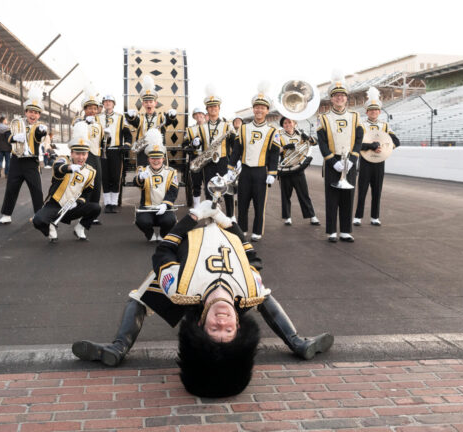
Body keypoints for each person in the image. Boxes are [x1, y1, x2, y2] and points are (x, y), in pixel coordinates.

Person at [72, 202, 333, 397]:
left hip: (188, 261)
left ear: (200, 325)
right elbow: (251, 255)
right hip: (222, 237)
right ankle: (297, 342)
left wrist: (193, 216)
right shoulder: (248, 293)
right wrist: (227, 221)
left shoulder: (179, 289)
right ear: (238, 326)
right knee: (261, 297)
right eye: (228, 329)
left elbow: (164, 249)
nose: (222, 321)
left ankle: (118, 348)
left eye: (214, 328)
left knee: (140, 297)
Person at [229, 82, 281, 241]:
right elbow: (237, 150)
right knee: (243, 203)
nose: (259, 110)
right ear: (253, 109)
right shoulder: (243, 129)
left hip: (260, 173)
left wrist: (272, 172)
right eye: (257, 107)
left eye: (262, 107)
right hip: (245, 171)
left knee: (259, 205)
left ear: (267, 110)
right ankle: (242, 230)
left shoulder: (273, 131)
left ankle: (257, 232)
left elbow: (274, 154)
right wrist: (231, 168)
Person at [31, 122, 100, 242]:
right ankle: (51, 227)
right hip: (55, 204)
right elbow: (58, 167)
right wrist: (69, 168)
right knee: (38, 220)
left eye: (84, 154)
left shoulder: (91, 171)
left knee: (95, 208)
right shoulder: (64, 159)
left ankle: (80, 228)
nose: (81, 157)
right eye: (77, 153)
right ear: (72, 153)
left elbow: (87, 192)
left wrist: (79, 201)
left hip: (72, 207)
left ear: (87, 154)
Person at [317, 72, 363, 243]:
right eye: (336, 96)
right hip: (332, 162)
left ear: (346, 98)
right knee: (332, 197)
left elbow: (359, 139)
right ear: (331, 99)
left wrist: (353, 159)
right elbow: (321, 142)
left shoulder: (355, 116)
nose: (339, 98)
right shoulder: (323, 118)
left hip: (349, 161)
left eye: (342, 96)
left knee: (348, 197)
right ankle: (331, 231)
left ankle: (346, 230)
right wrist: (332, 161)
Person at [0, 88, 48, 226]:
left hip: (31, 161)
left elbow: (41, 135)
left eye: (36, 113)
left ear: (39, 115)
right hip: (16, 160)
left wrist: (41, 132)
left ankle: (38, 214)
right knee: (11, 188)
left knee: (36, 189)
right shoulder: (17, 123)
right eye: (30, 112)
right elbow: (9, 138)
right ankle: (6, 215)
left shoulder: (40, 126)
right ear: (25, 112)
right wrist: (15, 137)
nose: (33, 115)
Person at [185, 85, 236, 215]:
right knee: (209, 189)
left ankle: (231, 216)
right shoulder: (201, 128)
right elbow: (197, 144)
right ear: (207, 109)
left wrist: (236, 161)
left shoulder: (227, 125)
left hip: (223, 160)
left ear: (219, 108)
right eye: (210, 107)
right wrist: (195, 143)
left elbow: (235, 143)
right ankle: (212, 215)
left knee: (227, 188)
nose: (213, 109)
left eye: (215, 106)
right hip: (208, 162)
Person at [353, 87, 400, 227]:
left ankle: (375, 216)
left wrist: (384, 148)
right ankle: (358, 216)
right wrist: (370, 146)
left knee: (377, 190)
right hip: (365, 161)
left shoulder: (385, 126)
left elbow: (396, 142)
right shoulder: (361, 125)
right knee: (362, 190)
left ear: (379, 112)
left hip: (379, 161)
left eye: (376, 110)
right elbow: (356, 144)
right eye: (371, 110)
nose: (373, 112)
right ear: (366, 112)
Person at [133, 130, 179, 241]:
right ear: (148, 159)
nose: (156, 161)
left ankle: (163, 234)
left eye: (158, 158)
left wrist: (165, 205)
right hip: (147, 207)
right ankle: (150, 235)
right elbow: (136, 182)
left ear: (163, 158)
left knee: (170, 221)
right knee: (141, 221)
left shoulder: (171, 172)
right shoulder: (142, 170)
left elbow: (173, 191)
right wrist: (140, 177)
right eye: (153, 158)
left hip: (164, 208)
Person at [125, 75, 178, 168]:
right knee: (142, 172)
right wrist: (130, 116)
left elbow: (170, 120)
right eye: (146, 102)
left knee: (160, 173)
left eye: (150, 102)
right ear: (143, 104)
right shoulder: (140, 117)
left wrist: (172, 115)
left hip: (158, 149)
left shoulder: (162, 116)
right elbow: (134, 121)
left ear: (155, 103)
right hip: (142, 149)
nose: (148, 104)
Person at [278, 117, 320, 226]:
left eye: (289, 122)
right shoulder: (278, 135)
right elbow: (273, 151)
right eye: (285, 123)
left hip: (298, 168)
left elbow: (315, 142)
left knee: (304, 194)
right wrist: (286, 147)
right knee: (285, 194)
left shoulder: (301, 134)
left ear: (295, 123)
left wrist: (309, 139)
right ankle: (287, 217)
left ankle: (312, 216)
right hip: (285, 168)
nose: (287, 124)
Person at [98, 94, 132, 213]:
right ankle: (107, 203)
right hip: (102, 151)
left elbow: (128, 135)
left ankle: (114, 202)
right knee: (105, 177)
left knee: (116, 177)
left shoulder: (121, 118)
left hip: (116, 151)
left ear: (114, 104)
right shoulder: (97, 118)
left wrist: (127, 145)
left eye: (110, 101)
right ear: (103, 104)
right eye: (105, 101)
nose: (107, 103)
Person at [75, 89, 105, 225]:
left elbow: (102, 141)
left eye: (94, 108)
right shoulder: (78, 122)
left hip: (96, 156)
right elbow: (77, 136)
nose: (92, 111)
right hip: (84, 157)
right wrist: (85, 123)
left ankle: (93, 212)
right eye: (89, 108)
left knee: (97, 184)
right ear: (84, 109)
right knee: (85, 184)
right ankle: (82, 211)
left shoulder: (99, 125)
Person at [183, 107, 207, 208]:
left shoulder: (210, 127)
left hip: (209, 158)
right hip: (196, 157)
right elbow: (184, 145)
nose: (199, 116)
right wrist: (192, 144)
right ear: (194, 117)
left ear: (204, 115)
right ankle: (196, 206)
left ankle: (210, 206)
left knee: (210, 183)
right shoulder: (190, 130)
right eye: (196, 115)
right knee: (196, 183)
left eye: (201, 114)